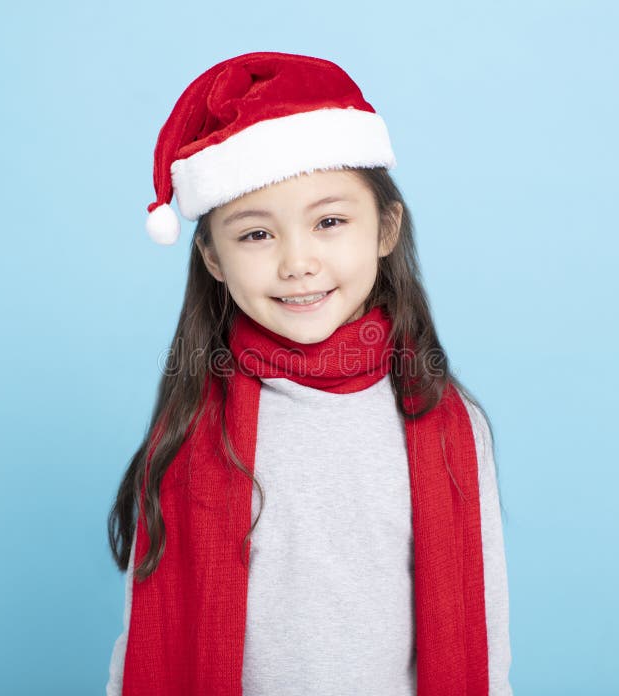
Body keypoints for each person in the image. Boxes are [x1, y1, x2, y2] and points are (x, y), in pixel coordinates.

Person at [105, 51, 513, 696]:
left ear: (385, 228)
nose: (298, 262)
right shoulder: (190, 428)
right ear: (212, 257)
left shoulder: (447, 424)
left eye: (329, 222)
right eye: (256, 235)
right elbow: (143, 639)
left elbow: (481, 632)